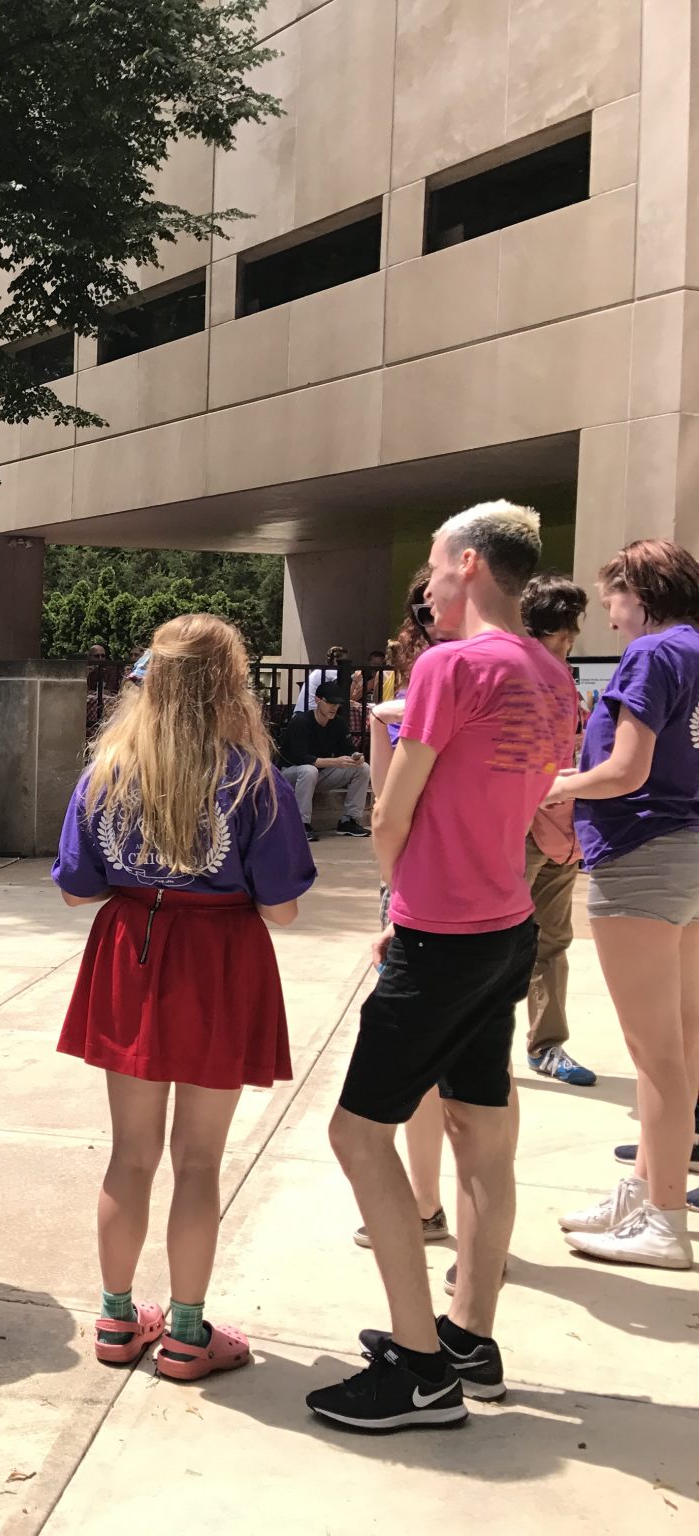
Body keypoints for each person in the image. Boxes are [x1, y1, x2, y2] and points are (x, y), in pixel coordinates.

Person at [308, 502, 575, 1433]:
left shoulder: (449, 666)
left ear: (467, 564)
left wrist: (401, 905)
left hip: (445, 936)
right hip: (505, 931)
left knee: (357, 1135)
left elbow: (392, 811)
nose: (425, 583)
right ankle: (470, 1339)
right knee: (482, 1132)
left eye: (431, 565)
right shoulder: (553, 674)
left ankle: (419, 1369)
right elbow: (548, 822)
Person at [54, 614, 314, 1380]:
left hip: (132, 955)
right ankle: (188, 1334)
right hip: (220, 961)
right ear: (232, 687)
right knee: (198, 1161)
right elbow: (283, 907)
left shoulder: (107, 771)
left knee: (129, 1156)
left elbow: (76, 892)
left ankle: (114, 1318)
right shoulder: (253, 779)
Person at [545, 539, 699, 1269]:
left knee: (654, 1052)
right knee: (681, 1042)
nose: (608, 614)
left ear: (639, 591)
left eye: (611, 596)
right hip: (692, 855)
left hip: (641, 855)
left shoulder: (652, 655)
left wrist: (556, 785)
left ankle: (664, 1219)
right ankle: (647, 1192)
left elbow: (626, 770)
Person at [350, 567, 451, 1258]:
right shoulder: (525, 685)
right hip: (497, 896)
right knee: (474, 1066)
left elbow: (388, 813)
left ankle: (425, 1203)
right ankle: (437, 1205)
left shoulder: (401, 712)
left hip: (425, 895)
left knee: (417, 1059)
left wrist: (394, 898)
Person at [520, 574, 596, 1088]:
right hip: (521, 828)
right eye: (566, 629)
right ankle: (467, 1042)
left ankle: (547, 1045)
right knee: (492, 940)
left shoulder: (560, 678)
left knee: (552, 941)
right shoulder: (516, 673)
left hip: (559, 828)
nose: (570, 639)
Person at [276, 680, 371, 841]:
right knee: (308, 770)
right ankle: (301, 824)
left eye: (337, 704)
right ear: (318, 700)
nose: (334, 707)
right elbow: (300, 758)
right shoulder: (301, 722)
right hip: (290, 775)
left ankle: (349, 820)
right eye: (330, 703)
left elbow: (347, 748)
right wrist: (334, 762)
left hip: (318, 776)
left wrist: (356, 756)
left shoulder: (338, 723)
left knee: (363, 768)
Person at [293, 643, 351, 714]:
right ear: (336, 661)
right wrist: (355, 680)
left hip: (301, 711)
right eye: (345, 661)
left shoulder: (321, 671)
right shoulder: (332, 672)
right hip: (312, 713)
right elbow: (346, 693)